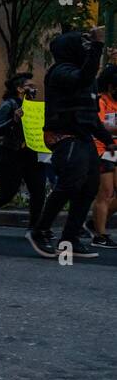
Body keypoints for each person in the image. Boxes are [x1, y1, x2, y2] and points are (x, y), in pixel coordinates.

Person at [30, 27, 112, 258]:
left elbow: (90, 115)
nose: (86, 50)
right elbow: (84, 76)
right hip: (65, 136)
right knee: (70, 183)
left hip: (84, 137)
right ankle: (40, 230)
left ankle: (70, 237)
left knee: (89, 187)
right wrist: (97, 45)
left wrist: (107, 140)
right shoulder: (61, 72)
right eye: (82, 46)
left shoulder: (87, 80)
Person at [0, 73, 46, 240]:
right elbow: (0, 128)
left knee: (38, 191)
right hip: (10, 154)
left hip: (31, 153)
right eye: (30, 86)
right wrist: (14, 119)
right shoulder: (8, 105)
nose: (34, 89)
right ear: (19, 89)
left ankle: (33, 229)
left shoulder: (33, 107)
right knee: (7, 193)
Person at [92, 65, 117, 248]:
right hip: (101, 150)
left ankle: (94, 224)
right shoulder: (100, 101)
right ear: (111, 86)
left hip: (115, 150)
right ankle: (100, 235)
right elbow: (99, 126)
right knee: (106, 193)